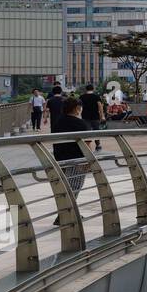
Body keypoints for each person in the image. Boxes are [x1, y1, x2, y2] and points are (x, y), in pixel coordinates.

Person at [51, 96, 91, 225]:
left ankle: (67, 213)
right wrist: (89, 160)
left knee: (66, 187)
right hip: (77, 160)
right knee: (74, 188)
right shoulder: (80, 123)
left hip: (60, 158)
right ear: (77, 108)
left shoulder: (58, 121)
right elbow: (87, 143)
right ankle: (63, 215)